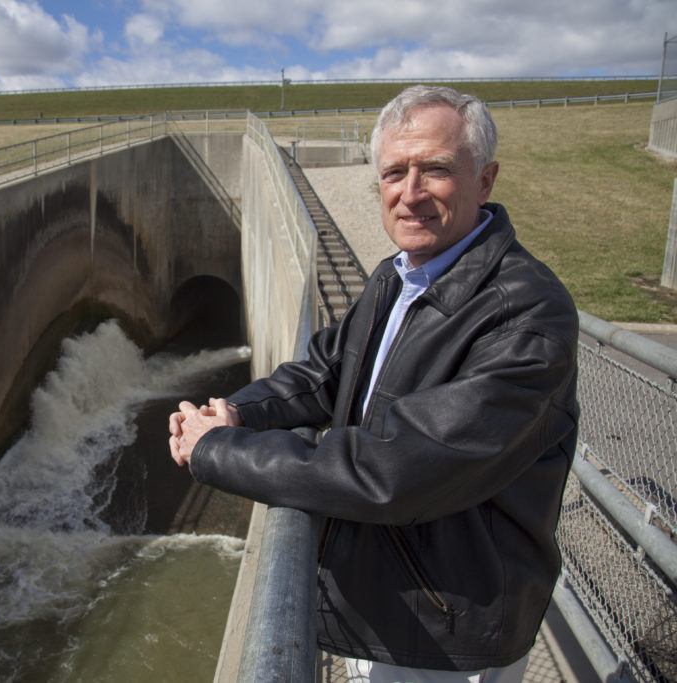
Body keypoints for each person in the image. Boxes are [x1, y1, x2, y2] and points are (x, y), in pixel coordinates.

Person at [168, 85, 579, 682]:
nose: (409, 194)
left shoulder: (527, 316)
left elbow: (399, 470)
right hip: (390, 599)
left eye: (435, 170)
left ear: (485, 180)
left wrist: (218, 451)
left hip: (446, 629)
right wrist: (234, 411)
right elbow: (325, 371)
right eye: (393, 173)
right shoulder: (400, 274)